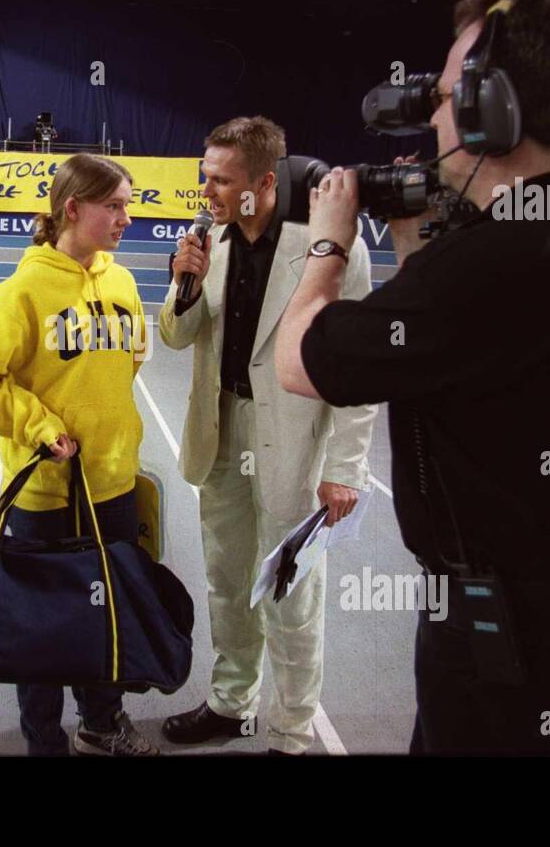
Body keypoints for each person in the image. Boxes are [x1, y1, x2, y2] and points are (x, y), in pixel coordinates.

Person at [275, 0, 550, 754]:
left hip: (511, 635)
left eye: (446, 96)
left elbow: (302, 358)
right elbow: (444, 347)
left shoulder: (505, 257)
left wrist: (327, 240)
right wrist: (415, 241)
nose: (434, 115)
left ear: (494, 105)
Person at [158, 117, 377, 755]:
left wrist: (345, 467)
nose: (206, 189)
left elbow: (357, 368)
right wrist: (185, 280)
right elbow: (175, 336)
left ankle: (290, 731)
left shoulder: (331, 246)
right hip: (221, 428)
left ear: (263, 182)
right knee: (227, 582)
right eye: (204, 175)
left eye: (219, 179)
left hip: (295, 443)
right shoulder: (211, 240)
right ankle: (231, 703)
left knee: (290, 592)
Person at [0, 153, 157, 757]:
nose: (126, 217)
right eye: (114, 205)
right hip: (46, 494)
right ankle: (44, 740)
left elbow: (132, 354)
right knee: (39, 628)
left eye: (128, 204)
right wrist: (40, 425)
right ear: (73, 208)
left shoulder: (121, 281)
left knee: (105, 616)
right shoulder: (20, 291)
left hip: (113, 487)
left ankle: (101, 721)